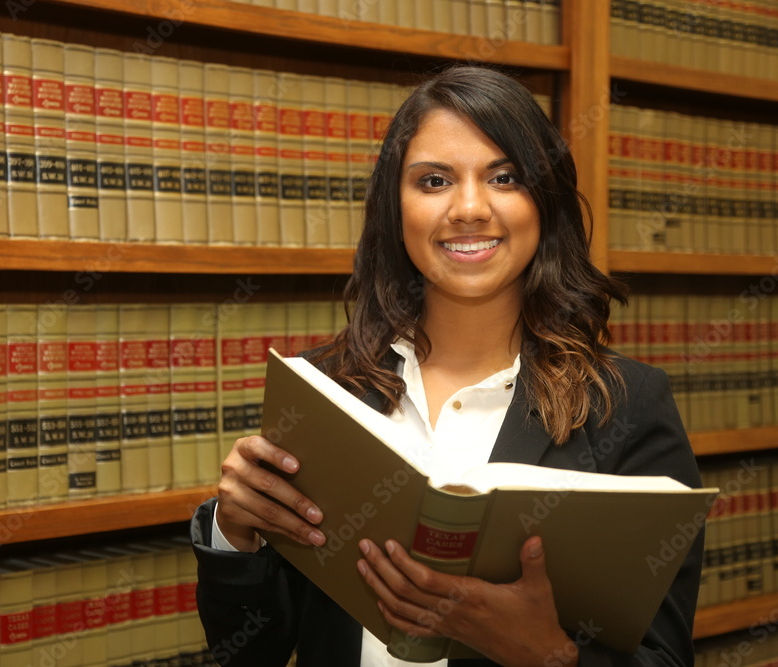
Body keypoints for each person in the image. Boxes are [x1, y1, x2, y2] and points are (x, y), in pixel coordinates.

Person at [189, 65, 703, 666]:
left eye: (504, 177)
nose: (468, 208)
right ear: (394, 206)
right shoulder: (326, 390)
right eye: (433, 181)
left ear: (545, 200)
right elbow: (248, 653)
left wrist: (548, 655)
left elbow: (666, 658)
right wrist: (235, 531)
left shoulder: (626, 405)